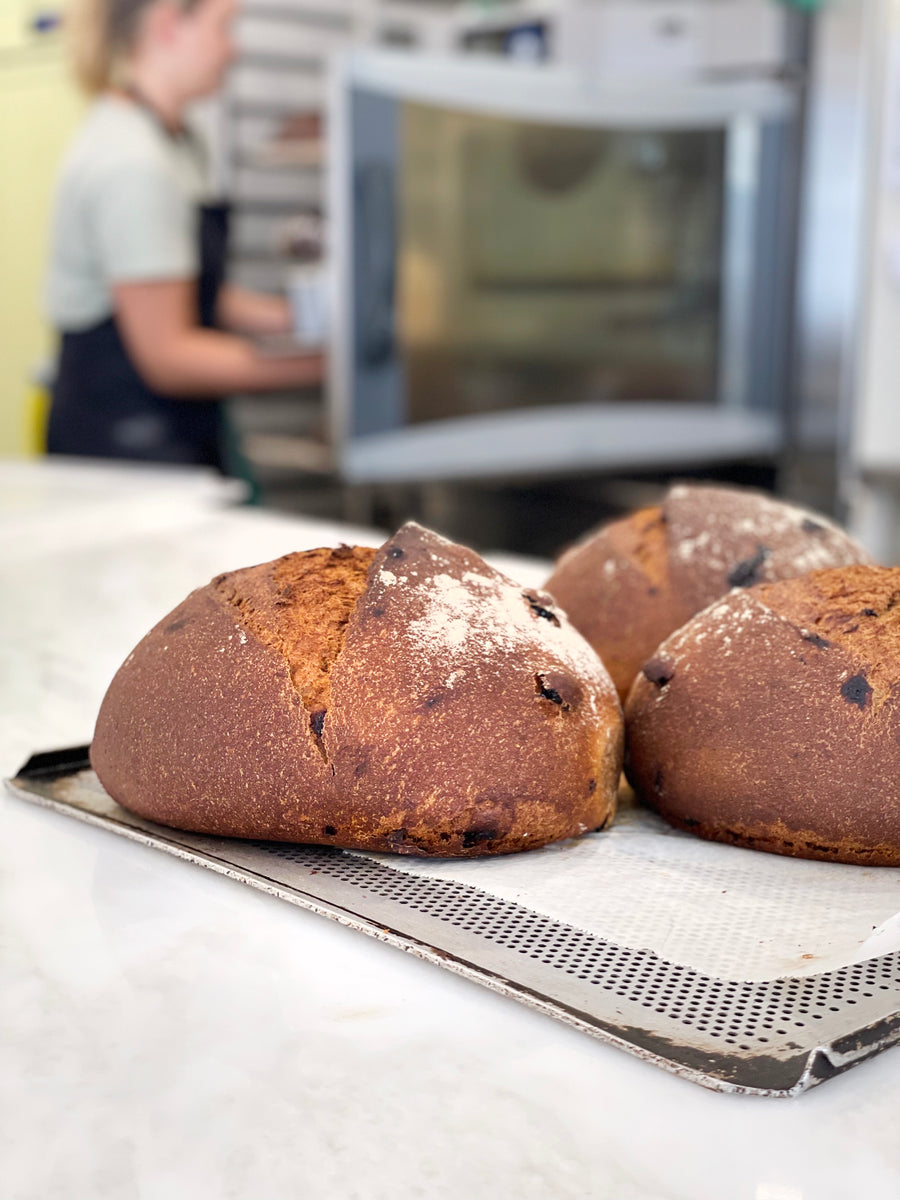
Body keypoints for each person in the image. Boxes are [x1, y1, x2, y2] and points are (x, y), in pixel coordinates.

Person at [43, 0, 323, 470]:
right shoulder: (132, 162)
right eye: (223, 28)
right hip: (123, 450)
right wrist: (327, 366)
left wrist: (299, 318)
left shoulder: (177, 140)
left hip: (171, 433)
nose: (233, 49)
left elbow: (188, 287)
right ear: (170, 24)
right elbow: (169, 358)